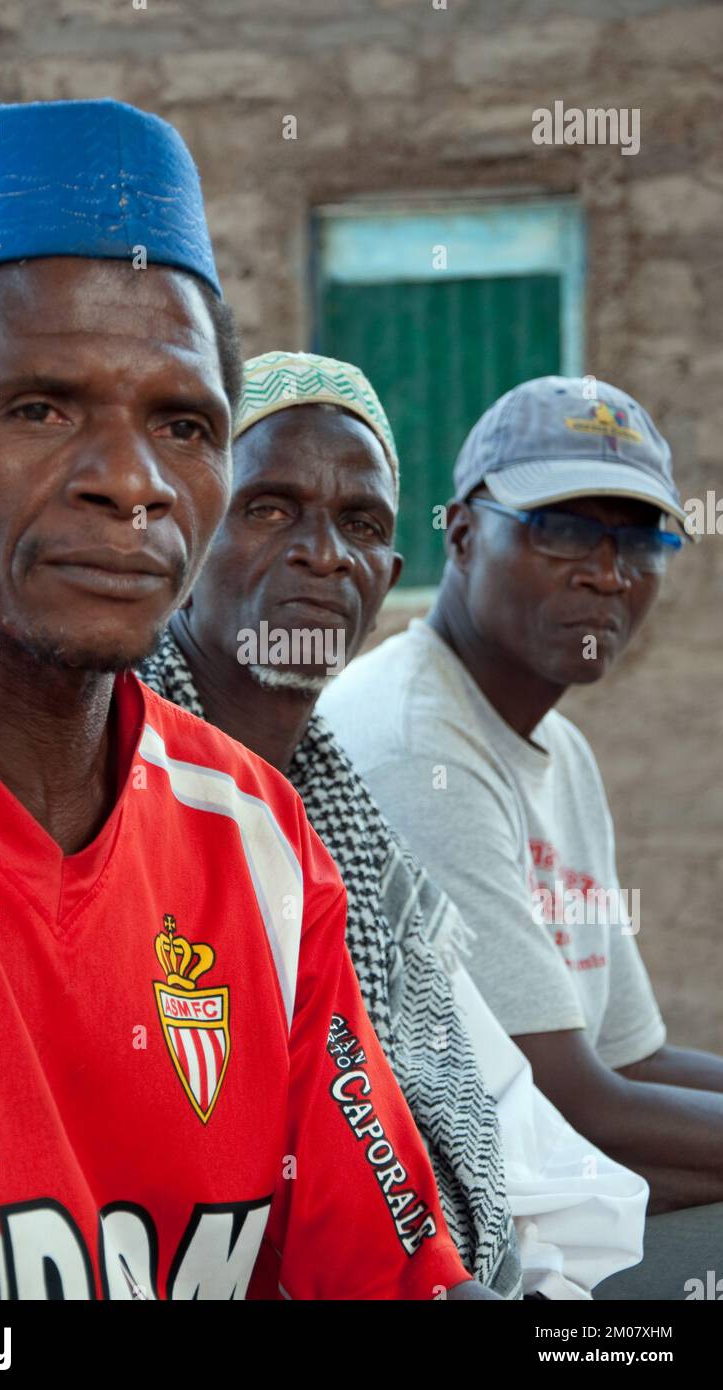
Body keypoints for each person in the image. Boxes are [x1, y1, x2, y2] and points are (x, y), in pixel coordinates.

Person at [0, 101, 487, 1301]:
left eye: (183, 423)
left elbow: (399, 1276)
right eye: (40, 406)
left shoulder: (256, 837)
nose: (132, 485)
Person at [140, 351, 649, 1301]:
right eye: (268, 508)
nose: (324, 553)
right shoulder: (111, 791)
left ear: (389, 575)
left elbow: (525, 1147)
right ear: (184, 530)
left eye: (360, 524)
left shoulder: (363, 849)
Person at [320, 375, 723, 1298]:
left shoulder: (559, 750)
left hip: (565, 1208)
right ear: (461, 534)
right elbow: (572, 1104)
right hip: (457, 1253)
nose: (606, 572)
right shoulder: (413, 742)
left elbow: (629, 1057)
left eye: (638, 538)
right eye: (562, 529)